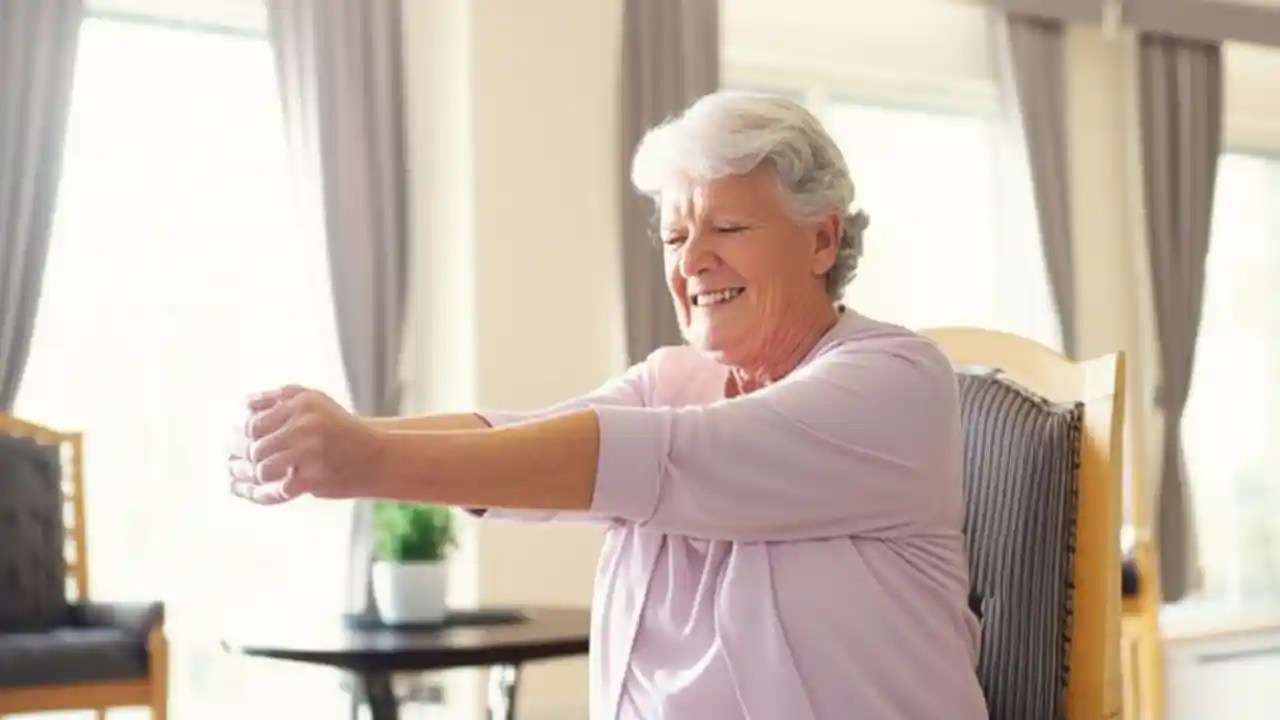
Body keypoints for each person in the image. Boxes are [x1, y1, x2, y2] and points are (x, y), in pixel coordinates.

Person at [227, 91, 987, 720]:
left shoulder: (895, 381)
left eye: (727, 227)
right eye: (676, 235)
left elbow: (655, 459)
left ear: (822, 240)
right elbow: (527, 438)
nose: (692, 262)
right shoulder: (670, 381)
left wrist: (364, 458)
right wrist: (336, 438)